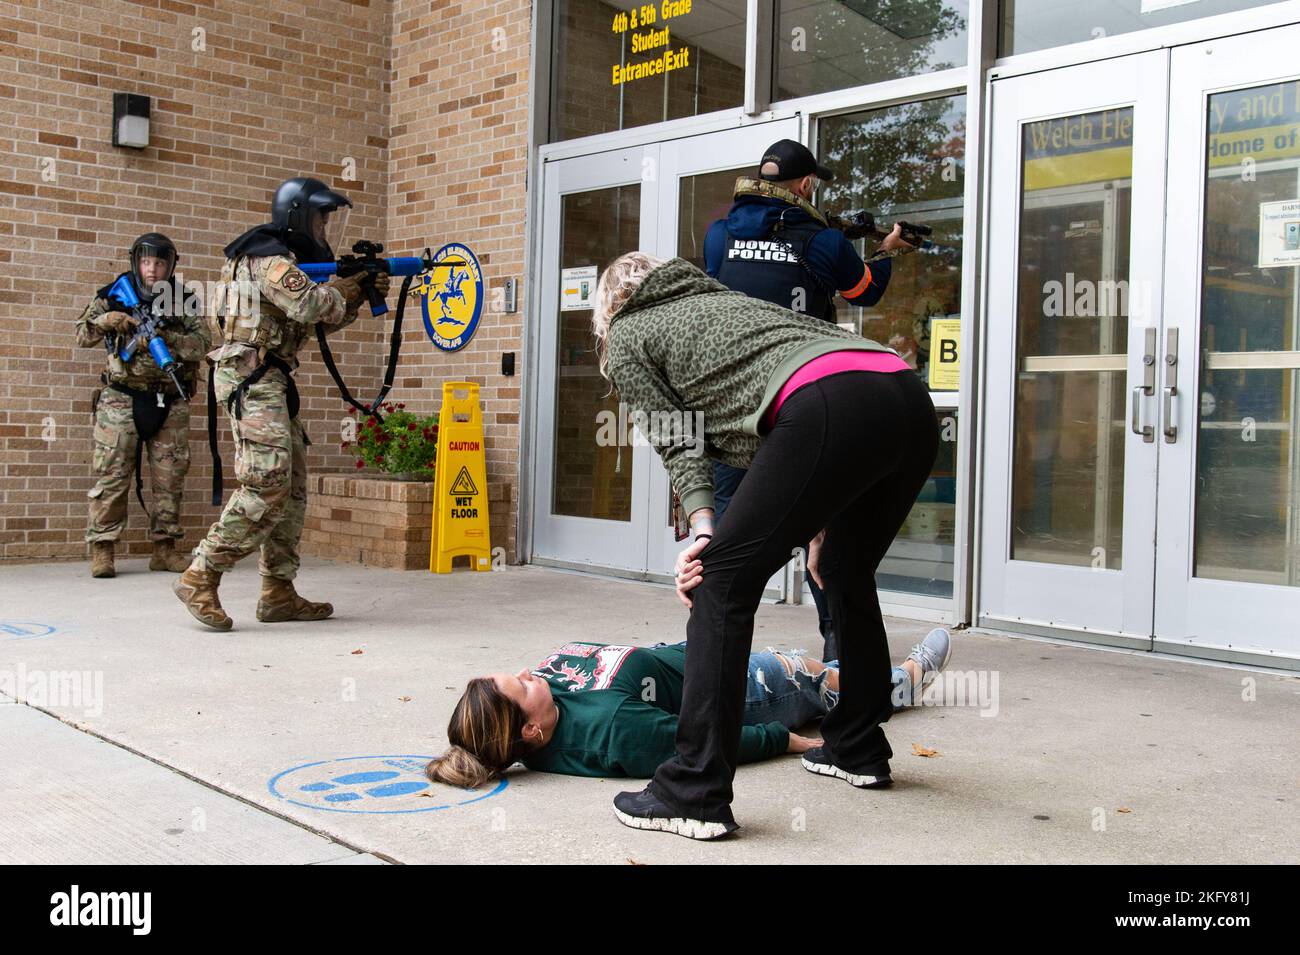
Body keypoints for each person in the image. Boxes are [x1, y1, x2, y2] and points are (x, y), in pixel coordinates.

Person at [591, 251, 940, 840]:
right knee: (846, 571)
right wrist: (821, 520)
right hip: (905, 395)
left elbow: (682, 442)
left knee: (720, 580)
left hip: (832, 403)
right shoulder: (725, 303)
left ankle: (693, 790)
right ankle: (856, 745)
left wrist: (705, 531)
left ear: (607, 310)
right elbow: (792, 440)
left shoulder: (628, 333)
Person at [702, 139, 915, 661]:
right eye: (812, 183)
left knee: (730, 536)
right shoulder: (820, 241)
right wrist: (887, 250)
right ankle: (841, 651)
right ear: (803, 186)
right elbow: (863, 291)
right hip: (802, 401)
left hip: (735, 403)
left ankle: (713, 651)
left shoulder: (719, 234)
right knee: (829, 525)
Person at [173, 177, 387, 631]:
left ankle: (278, 591)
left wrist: (359, 295)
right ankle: (201, 573)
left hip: (269, 376)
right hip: (254, 377)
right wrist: (349, 289)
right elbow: (312, 304)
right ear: (297, 216)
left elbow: (316, 321)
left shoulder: (279, 260)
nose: (325, 227)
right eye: (320, 218)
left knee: (291, 488)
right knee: (267, 482)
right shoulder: (268, 260)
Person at [426, 628, 951, 787]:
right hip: (748, 693)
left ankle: (854, 678)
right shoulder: (611, 731)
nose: (525, 673)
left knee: (816, 666)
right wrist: (784, 741)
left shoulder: (550, 709)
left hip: (707, 658)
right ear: (531, 732)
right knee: (813, 677)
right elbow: (695, 741)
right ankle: (897, 687)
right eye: (520, 687)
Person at [75, 233, 207, 578]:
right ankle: (103, 549)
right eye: (147, 261)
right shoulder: (112, 294)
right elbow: (81, 335)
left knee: (170, 477)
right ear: (136, 262)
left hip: (170, 400)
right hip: (121, 396)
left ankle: (164, 550)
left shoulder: (184, 300)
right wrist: (108, 321)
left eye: (160, 262)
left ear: (170, 265)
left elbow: (203, 343)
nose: (153, 269)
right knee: (112, 476)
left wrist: (165, 340)